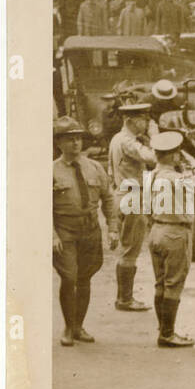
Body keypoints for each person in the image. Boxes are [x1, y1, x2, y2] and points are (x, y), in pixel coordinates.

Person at [52, 118, 118, 347]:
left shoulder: (94, 167)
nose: (75, 143)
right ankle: (68, 327)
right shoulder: (51, 171)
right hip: (65, 230)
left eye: (78, 138)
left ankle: (79, 326)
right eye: (69, 139)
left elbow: (108, 198)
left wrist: (113, 228)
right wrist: (52, 235)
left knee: (85, 277)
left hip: (90, 230)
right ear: (59, 143)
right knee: (69, 278)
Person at [144, 130, 195, 348]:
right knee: (173, 284)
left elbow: (146, 208)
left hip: (156, 229)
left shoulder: (151, 176)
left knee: (160, 283)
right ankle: (167, 333)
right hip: (175, 232)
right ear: (174, 155)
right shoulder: (178, 178)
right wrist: (192, 163)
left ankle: (163, 327)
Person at [108, 101, 157, 312]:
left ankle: (124, 297)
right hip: (132, 197)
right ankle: (125, 299)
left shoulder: (117, 139)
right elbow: (153, 157)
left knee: (128, 248)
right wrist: (155, 137)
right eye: (143, 119)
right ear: (130, 120)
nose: (146, 123)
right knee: (131, 249)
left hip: (122, 194)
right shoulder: (128, 141)